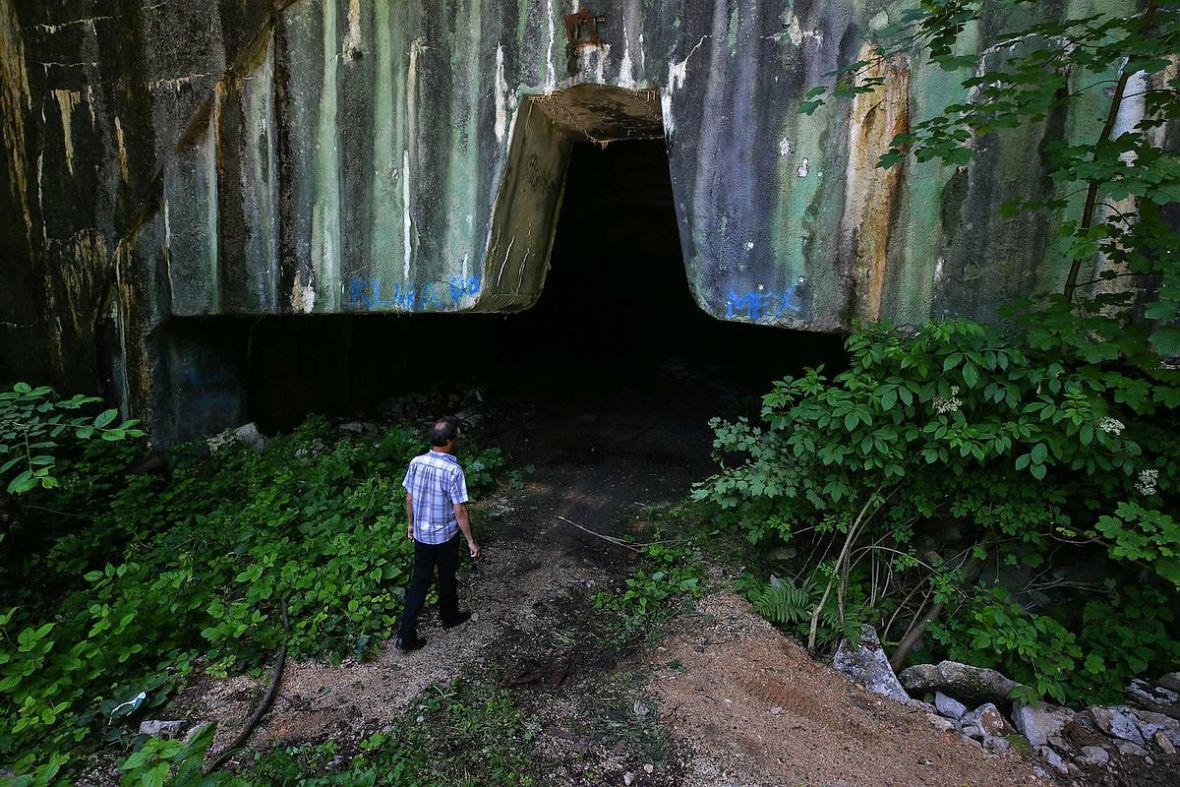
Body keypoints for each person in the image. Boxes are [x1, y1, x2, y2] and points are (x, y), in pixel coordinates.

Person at [395, 417, 481, 654]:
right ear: (450, 441)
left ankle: (405, 636)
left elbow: (409, 498)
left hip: (422, 536)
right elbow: (460, 510)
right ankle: (449, 616)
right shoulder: (453, 470)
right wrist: (471, 541)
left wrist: (410, 525)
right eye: (458, 438)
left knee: (419, 582)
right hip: (445, 537)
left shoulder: (416, 462)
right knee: (446, 576)